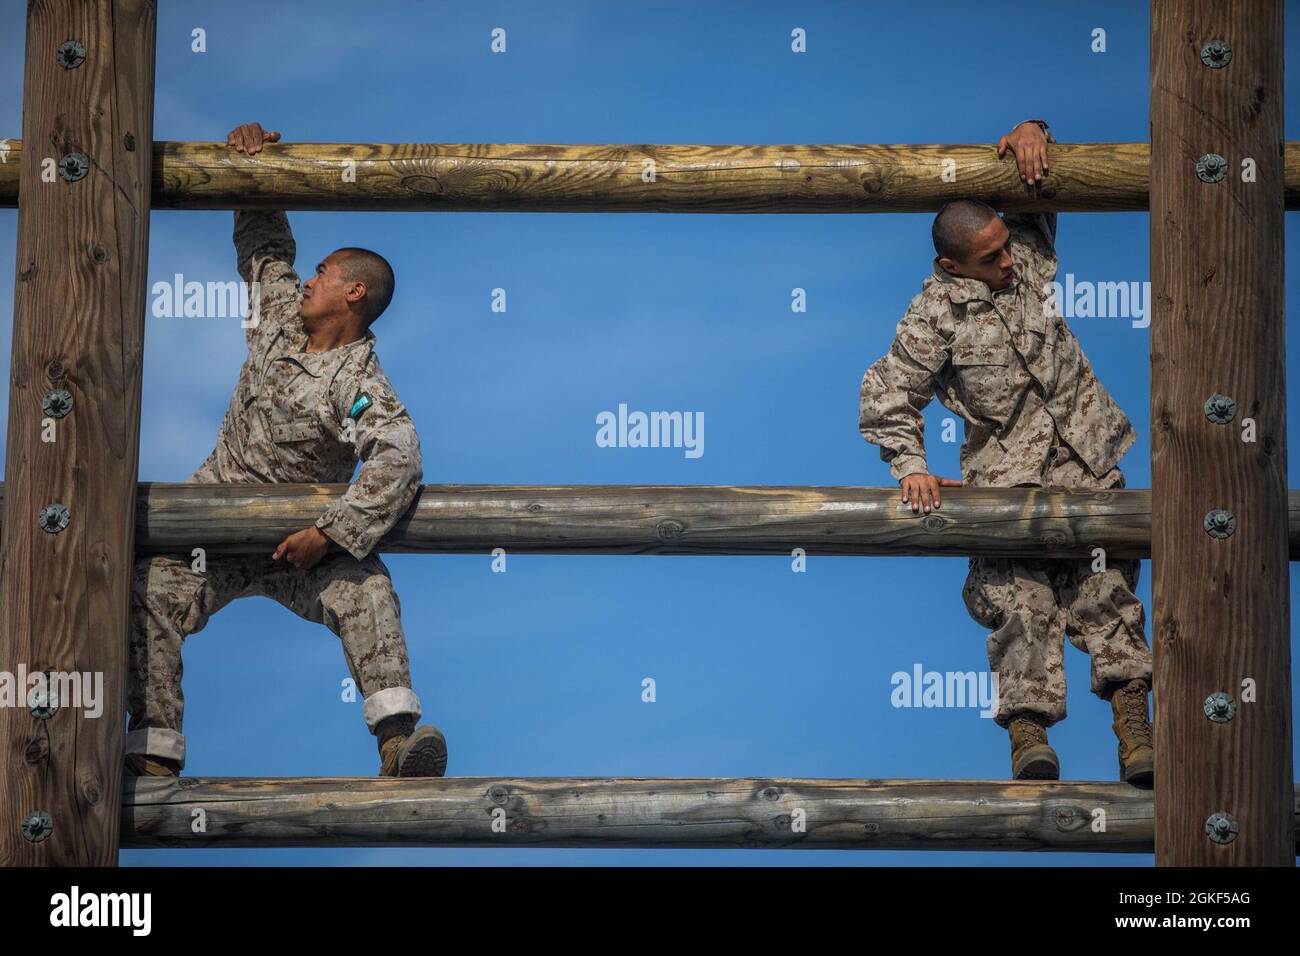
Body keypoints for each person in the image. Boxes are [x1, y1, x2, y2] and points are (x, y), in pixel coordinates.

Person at [124, 122, 446, 779]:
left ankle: (397, 741)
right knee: (152, 585)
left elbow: (398, 453)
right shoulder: (278, 322)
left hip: (302, 545)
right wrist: (253, 170)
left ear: (353, 293)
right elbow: (266, 250)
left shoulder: (355, 381)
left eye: (324, 274)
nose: (310, 282)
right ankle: (153, 752)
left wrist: (331, 536)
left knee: (367, 588)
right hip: (211, 526)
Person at [858, 119, 1153, 784]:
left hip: (1084, 461)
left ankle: (1135, 727)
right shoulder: (934, 318)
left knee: (1106, 593)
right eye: (991, 256)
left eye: (1006, 246)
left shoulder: (1025, 261)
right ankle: (1030, 736)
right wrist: (912, 468)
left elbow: (1037, 179)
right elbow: (885, 395)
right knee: (1021, 606)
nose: (1008, 261)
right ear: (951, 266)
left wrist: (1034, 130)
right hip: (1006, 482)